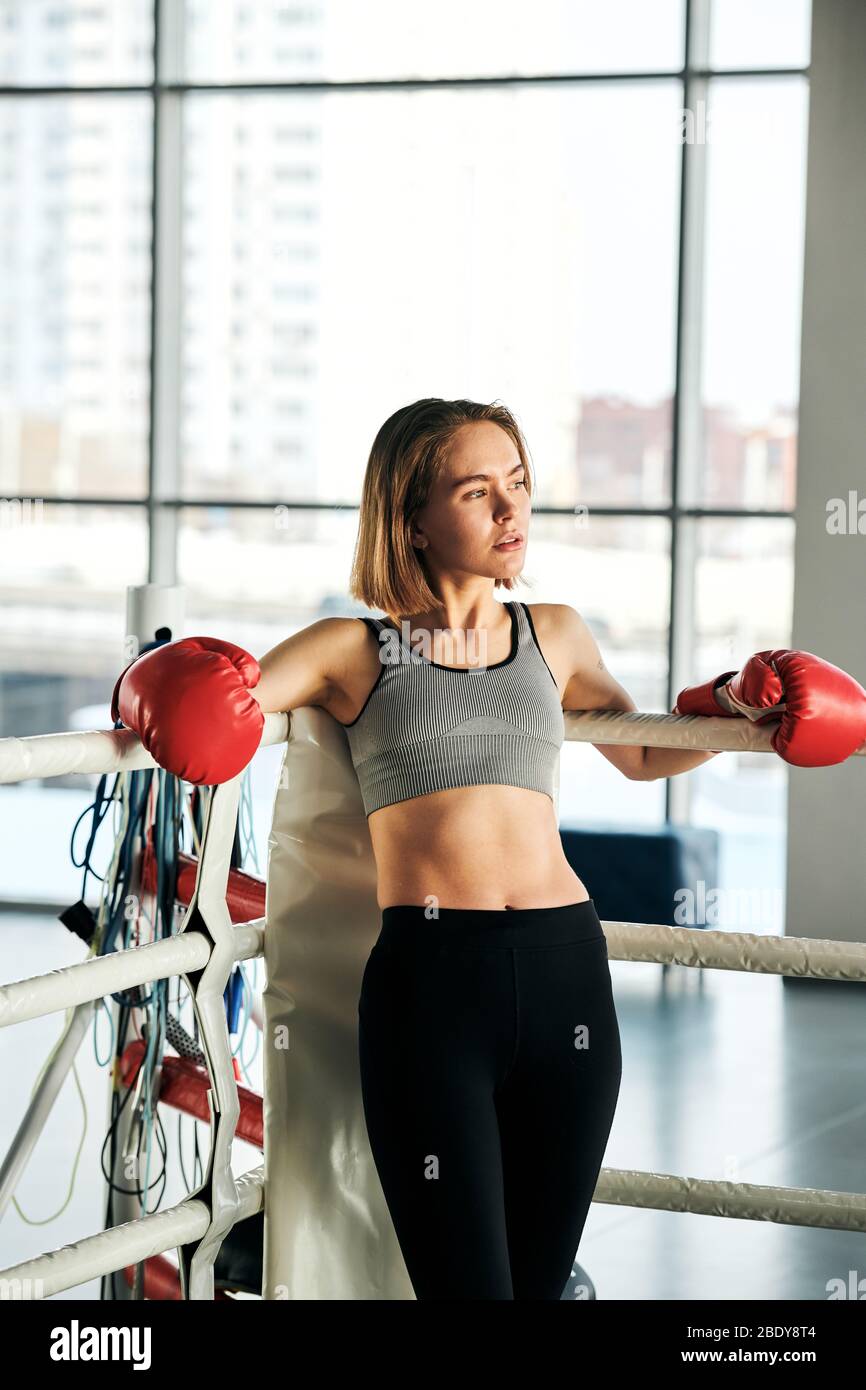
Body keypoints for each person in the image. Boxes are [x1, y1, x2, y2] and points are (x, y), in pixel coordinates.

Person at [111, 397, 866, 1299]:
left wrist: (743, 707)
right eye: (477, 492)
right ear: (411, 519)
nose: (511, 513)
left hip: (567, 975)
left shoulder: (556, 633)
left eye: (518, 485)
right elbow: (218, 706)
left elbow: (642, 750)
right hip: (432, 989)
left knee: (538, 1289)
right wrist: (151, 684)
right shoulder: (349, 650)